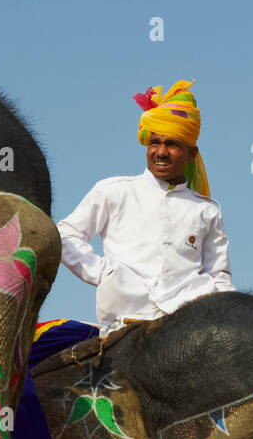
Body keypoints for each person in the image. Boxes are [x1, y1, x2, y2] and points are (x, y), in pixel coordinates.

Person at [58, 80, 234, 334]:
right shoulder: (114, 191)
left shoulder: (206, 210)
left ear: (191, 154)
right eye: (155, 143)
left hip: (191, 328)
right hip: (125, 326)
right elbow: (66, 235)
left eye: (172, 144)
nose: (161, 152)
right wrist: (103, 274)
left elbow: (219, 275)